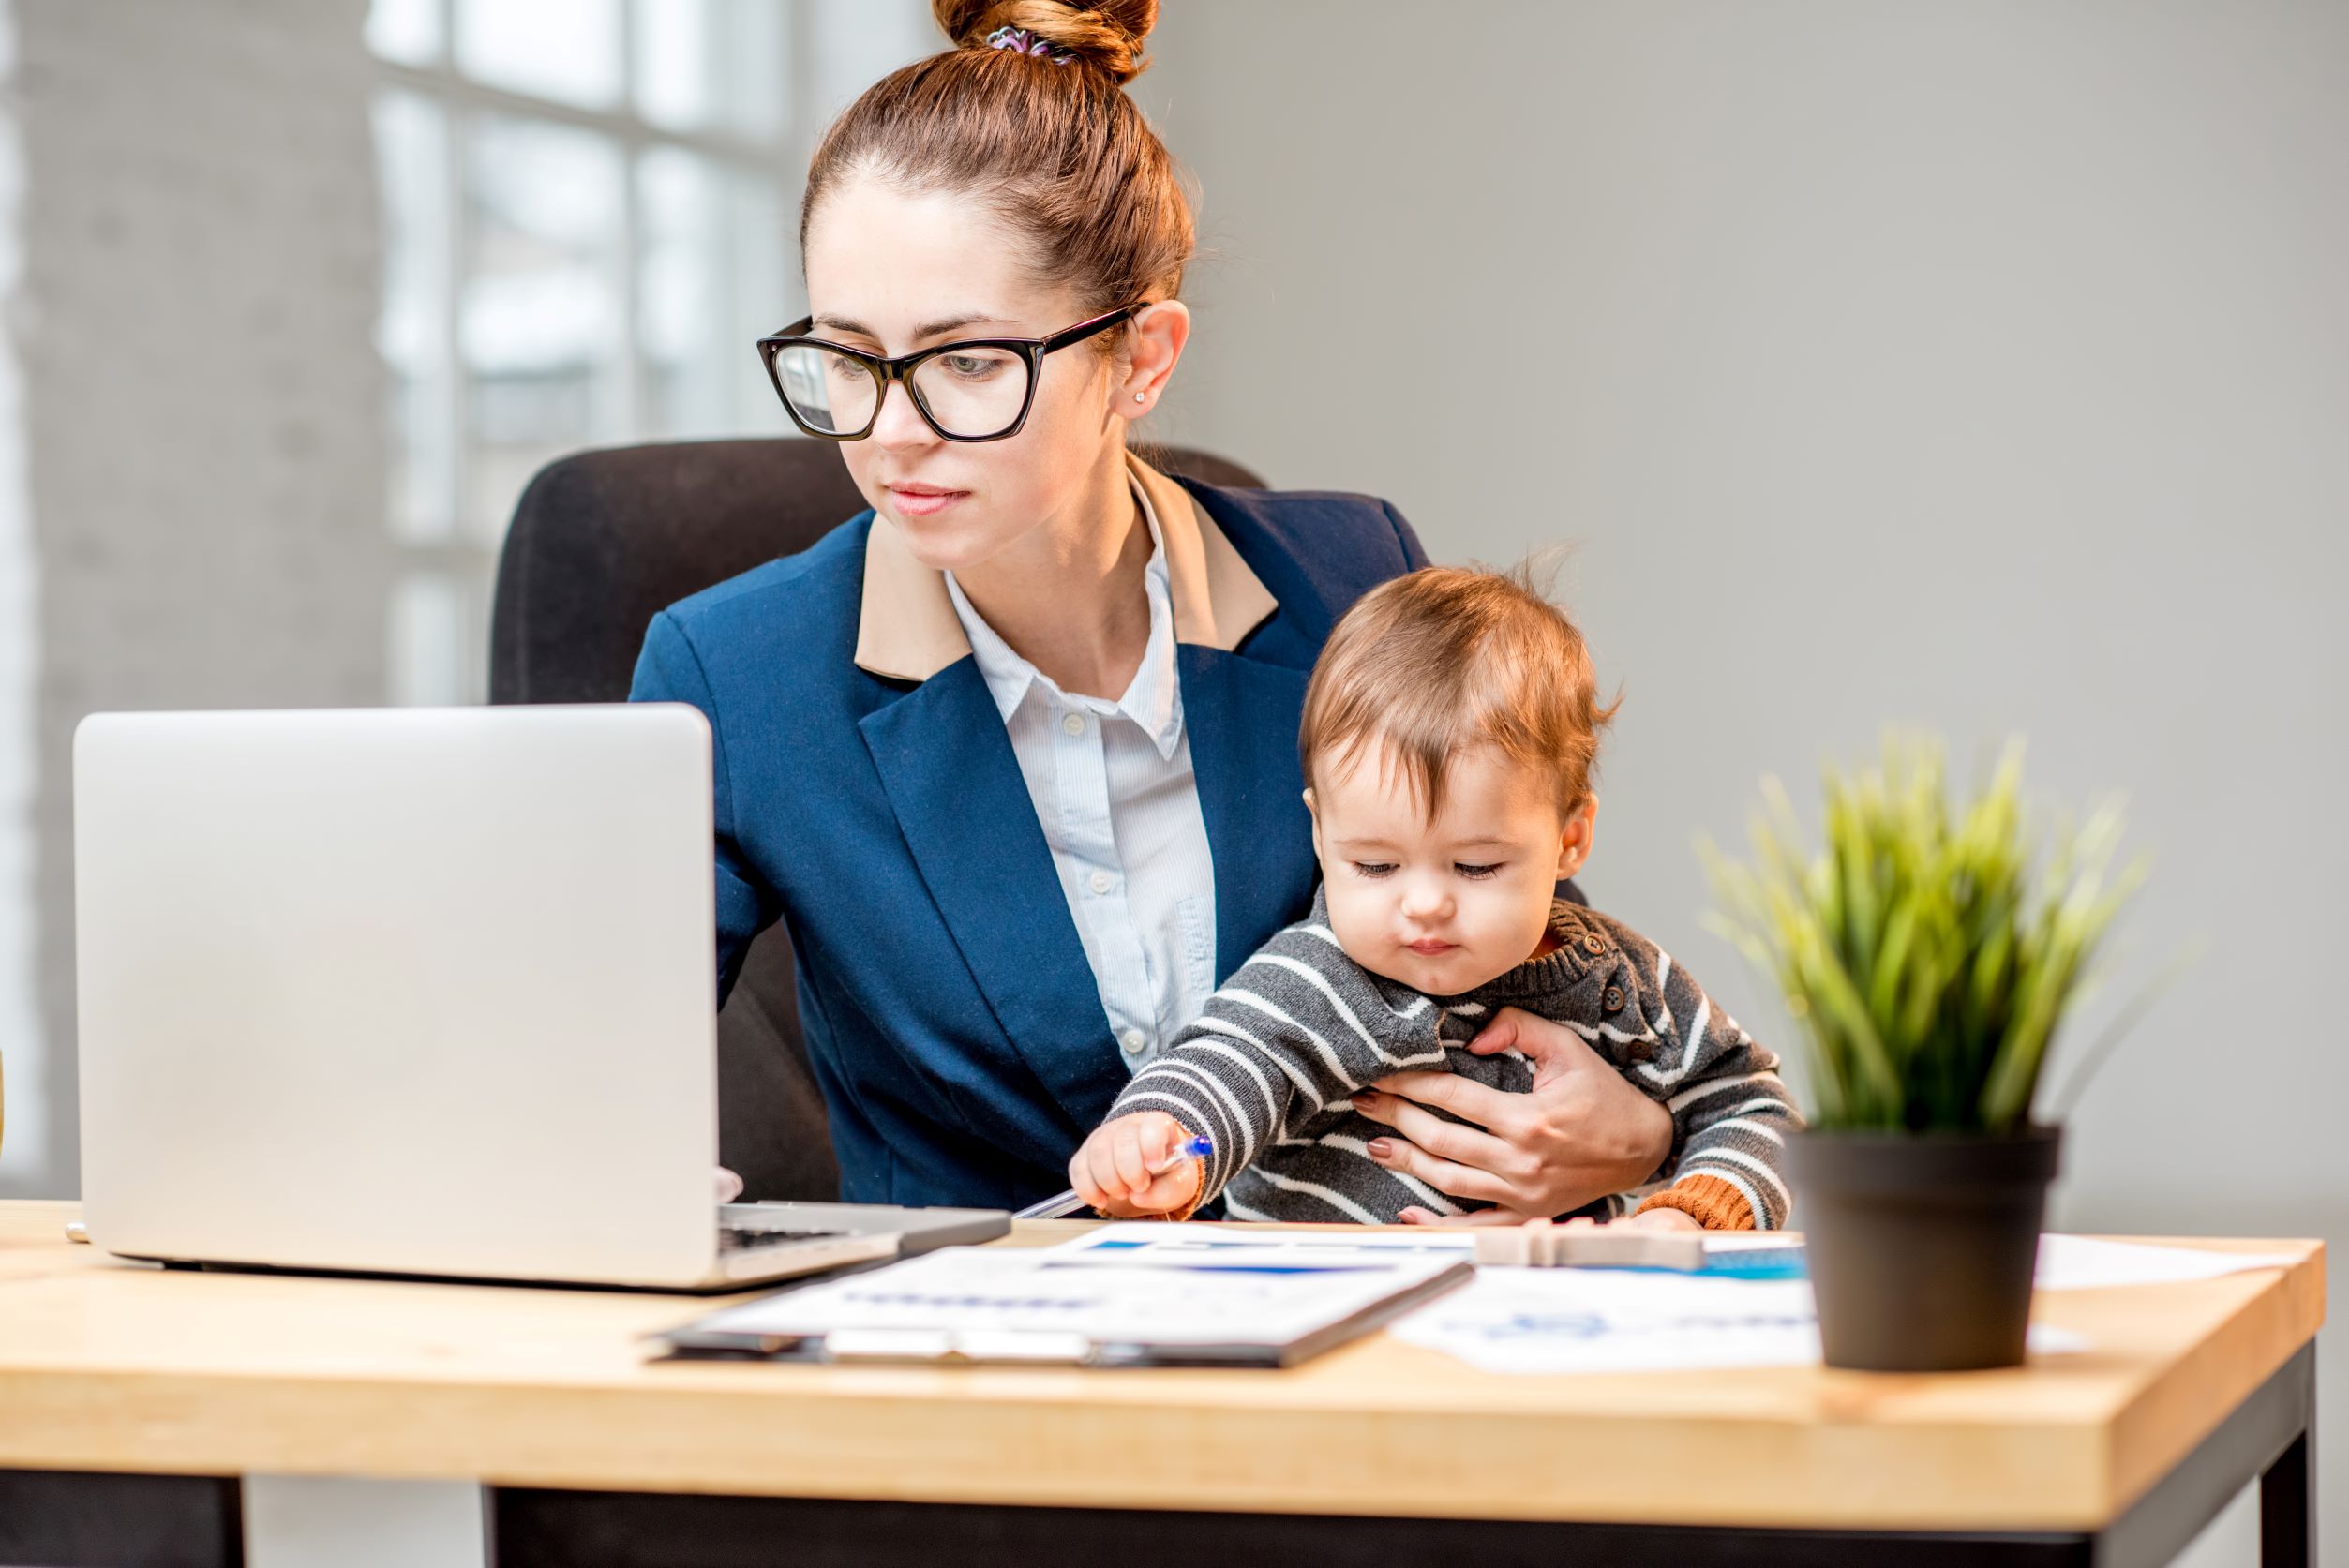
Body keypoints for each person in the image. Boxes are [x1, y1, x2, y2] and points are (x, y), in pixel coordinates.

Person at [630, 0, 1675, 1217]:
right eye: (848, 358)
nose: (889, 430)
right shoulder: (736, 672)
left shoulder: (1343, 579)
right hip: (968, 1354)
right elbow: (575, 1071)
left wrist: (1637, 1124)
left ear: (1141, 357)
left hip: (1359, 1307)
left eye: (968, 362)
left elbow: (1544, 957)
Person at [1069, 568, 1801, 1228]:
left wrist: (1691, 1216)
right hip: (1329, 1332)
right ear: (1322, 834)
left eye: (1475, 866)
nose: (1423, 904)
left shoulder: (1623, 984)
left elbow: (1754, 1104)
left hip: (1547, 1334)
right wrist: (1156, 1138)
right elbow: (1227, 1064)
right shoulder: (1321, 975)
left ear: (1571, 839)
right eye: (1377, 865)